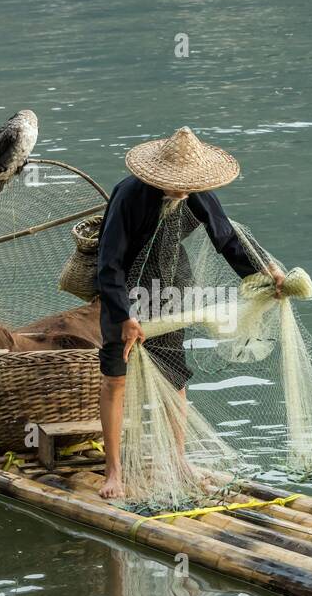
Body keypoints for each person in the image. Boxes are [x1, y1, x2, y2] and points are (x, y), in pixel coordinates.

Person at [96, 126, 283, 499]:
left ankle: (179, 460)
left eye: (188, 185)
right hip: (126, 286)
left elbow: (227, 239)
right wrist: (124, 316)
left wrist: (265, 272)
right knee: (116, 375)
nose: (183, 191)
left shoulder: (195, 191)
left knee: (174, 375)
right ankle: (114, 470)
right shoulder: (130, 195)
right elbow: (109, 263)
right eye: (176, 184)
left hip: (170, 282)